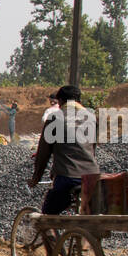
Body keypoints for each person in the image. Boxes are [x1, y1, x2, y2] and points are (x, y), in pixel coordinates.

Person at [28, 85, 98, 215]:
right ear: (79, 101)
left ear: (60, 101)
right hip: (92, 177)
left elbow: (44, 152)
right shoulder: (92, 118)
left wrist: (36, 177)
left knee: (48, 215)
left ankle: (49, 233)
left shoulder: (55, 118)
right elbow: (92, 149)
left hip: (67, 177)